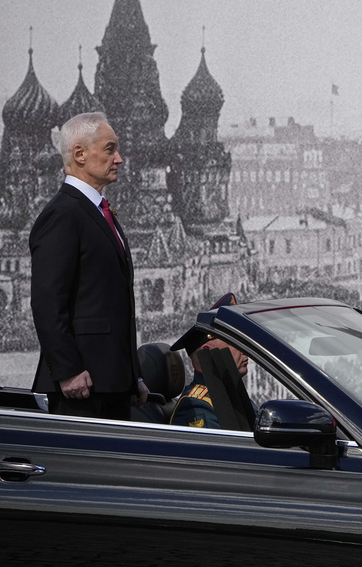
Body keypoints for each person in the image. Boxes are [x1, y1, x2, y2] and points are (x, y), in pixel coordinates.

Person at [30, 111, 148, 419]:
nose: (119, 158)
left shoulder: (96, 211)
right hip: (81, 387)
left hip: (111, 383)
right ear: (79, 154)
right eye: (110, 149)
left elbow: (114, 303)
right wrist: (67, 370)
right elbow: (47, 301)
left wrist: (132, 375)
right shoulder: (63, 214)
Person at [169, 292, 255, 429]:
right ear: (208, 353)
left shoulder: (231, 394)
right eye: (236, 344)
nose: (244, 350)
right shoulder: (197, 406)